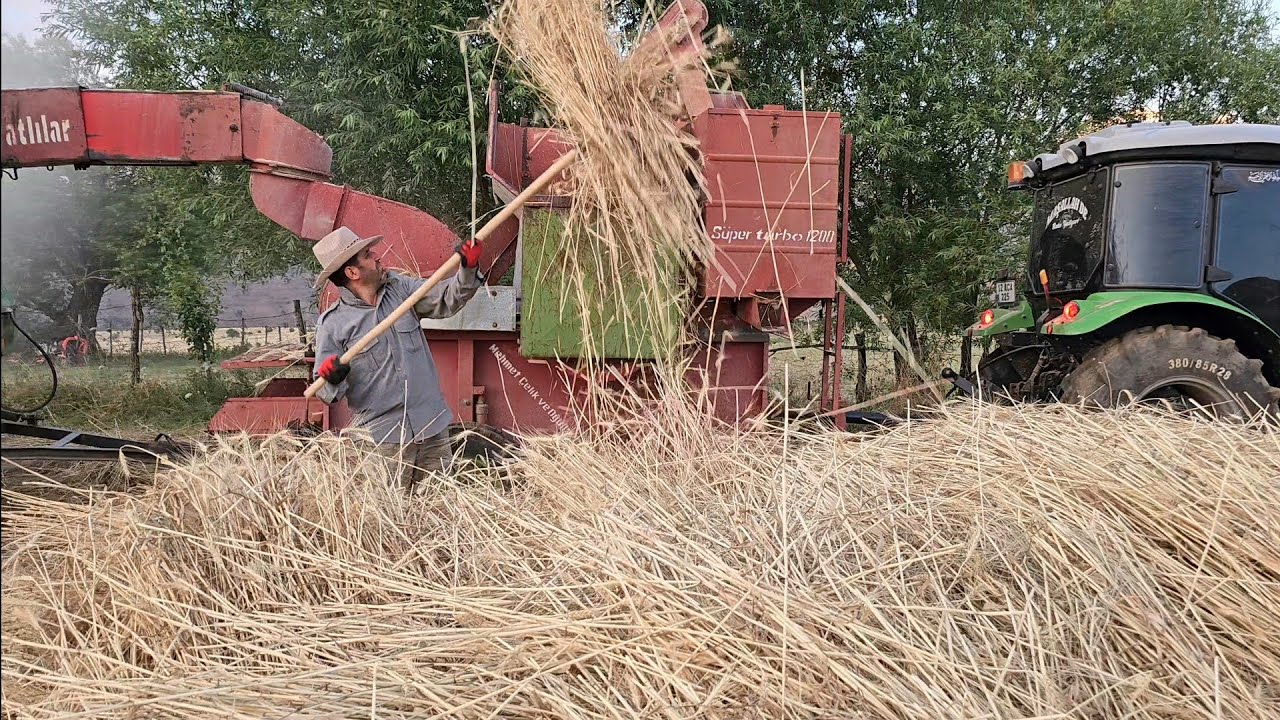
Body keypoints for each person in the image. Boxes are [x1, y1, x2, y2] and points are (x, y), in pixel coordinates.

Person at [311, 226, 485, 491]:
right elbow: (325, 392)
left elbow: (447, 299)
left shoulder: (401, 289)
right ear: (353, 273)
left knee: (441, 510)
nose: (378, 257)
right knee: (391, 518)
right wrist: (331, 378)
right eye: (368, 255)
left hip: (431, 426)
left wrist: (468, 268)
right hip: (383, 443)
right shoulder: (333, 325)